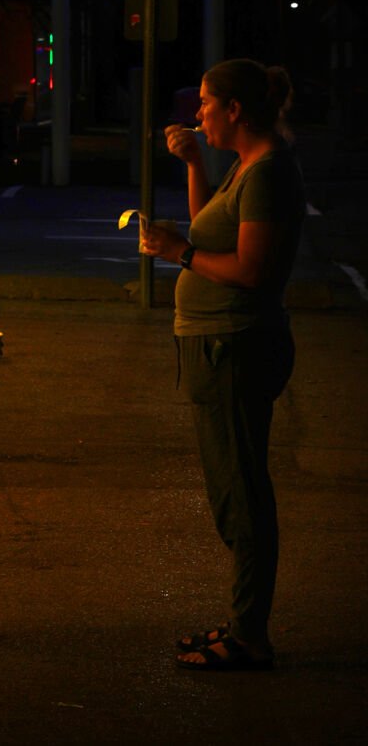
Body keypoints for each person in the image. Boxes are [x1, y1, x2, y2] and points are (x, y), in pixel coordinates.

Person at [141, 60, 306, 672]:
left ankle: (249, 635)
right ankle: (242, 623)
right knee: (232, 488)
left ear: (235, 110)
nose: (198, 113)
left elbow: (250, 270)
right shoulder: (246, 166)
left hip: (235, 347)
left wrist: (179, 253)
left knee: (241, 493)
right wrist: (193, 166)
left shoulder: (266, 173)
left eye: (206, 102)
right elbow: (214, 233)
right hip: (219, 346)